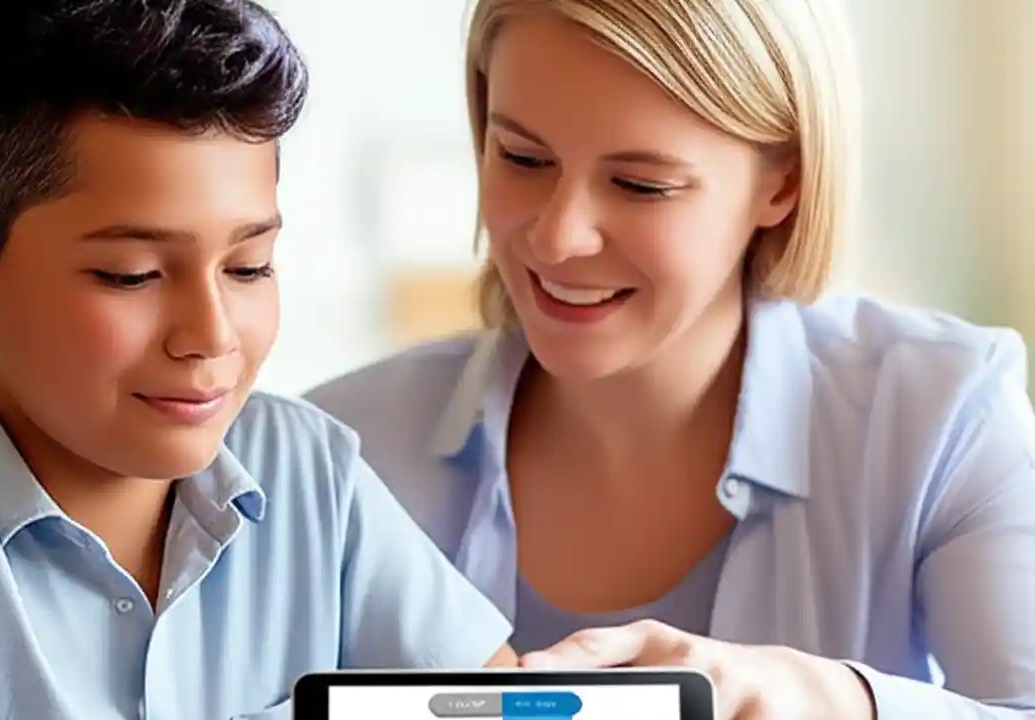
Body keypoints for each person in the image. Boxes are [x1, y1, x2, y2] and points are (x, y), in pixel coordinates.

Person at [0, 2, 518, 718]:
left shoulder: (310, 474)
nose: (210, 335)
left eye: (249, 266)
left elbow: (503, 702)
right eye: (132, 275)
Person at [307, 0, 1035, 717]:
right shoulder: (339, 450)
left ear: (781, 183)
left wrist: (836, 701)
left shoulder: (943, 414)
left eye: (640, 184)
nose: (559, 238)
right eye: (523, 158)